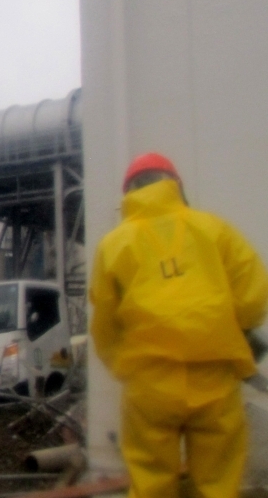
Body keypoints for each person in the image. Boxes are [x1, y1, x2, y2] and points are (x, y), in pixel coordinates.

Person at [90, 152, 268, 498]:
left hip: (149, 383)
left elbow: (104, 327)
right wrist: (233, 328)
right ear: (175, 186)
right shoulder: (213, 229)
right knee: (218, 483)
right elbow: (254, 293)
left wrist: (124, 366)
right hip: (215, 377)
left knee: (151, 482)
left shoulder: (114, 245)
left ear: (128, 193)